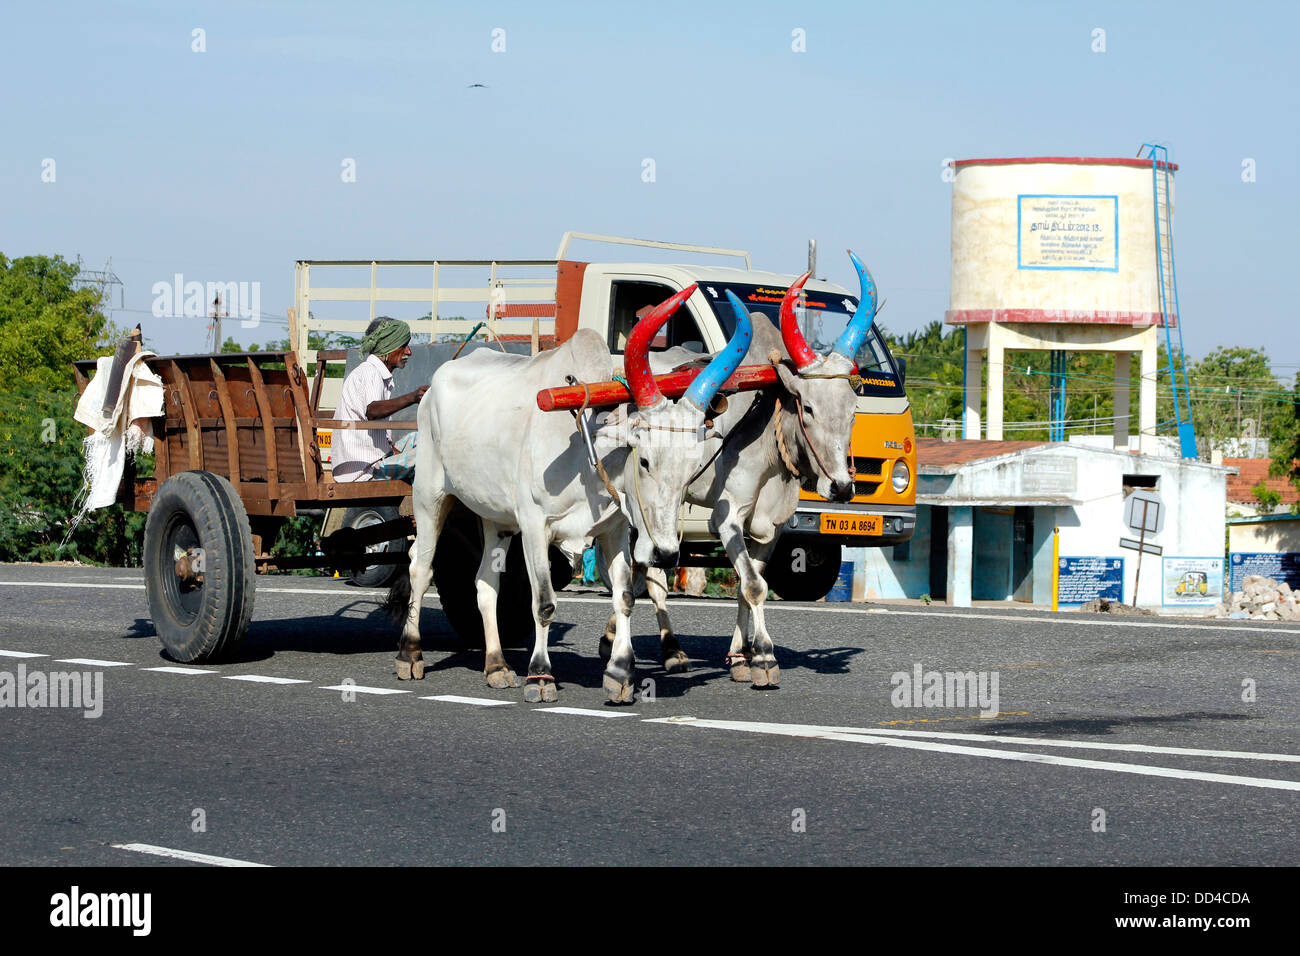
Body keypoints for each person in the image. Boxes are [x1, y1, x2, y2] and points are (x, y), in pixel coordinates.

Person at [331, 319, 427, 482]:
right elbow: (373, 411)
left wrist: (392, 450)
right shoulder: (370, 372)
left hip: (373, 460)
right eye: (403, 345)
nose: (408, 352)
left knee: (423, 438)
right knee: (430, 453)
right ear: (388, 347)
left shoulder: (376, 374)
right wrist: (413, 397)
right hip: (364, 470)